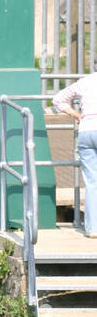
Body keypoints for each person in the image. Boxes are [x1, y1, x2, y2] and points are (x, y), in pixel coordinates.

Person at [53, 74, 97, 236]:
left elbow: (58, 99)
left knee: (92, 183)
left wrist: (76, 115)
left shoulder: (86, 81)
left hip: (86, 131)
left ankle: (92, 229)